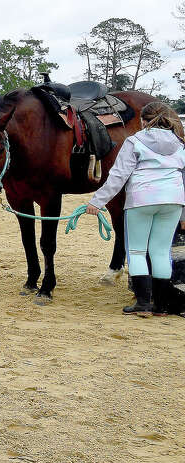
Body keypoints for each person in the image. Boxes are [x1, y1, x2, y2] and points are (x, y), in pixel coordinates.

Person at [85, 101, 185, 317]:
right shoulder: (180, 143)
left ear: (143, 121)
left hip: (142, 199)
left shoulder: (135, 141)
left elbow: (118, 175)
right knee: (161, 251)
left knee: (138, 251)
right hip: (174, 200)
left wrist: (97, 201)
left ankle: (142, 303)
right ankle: (160, 306)